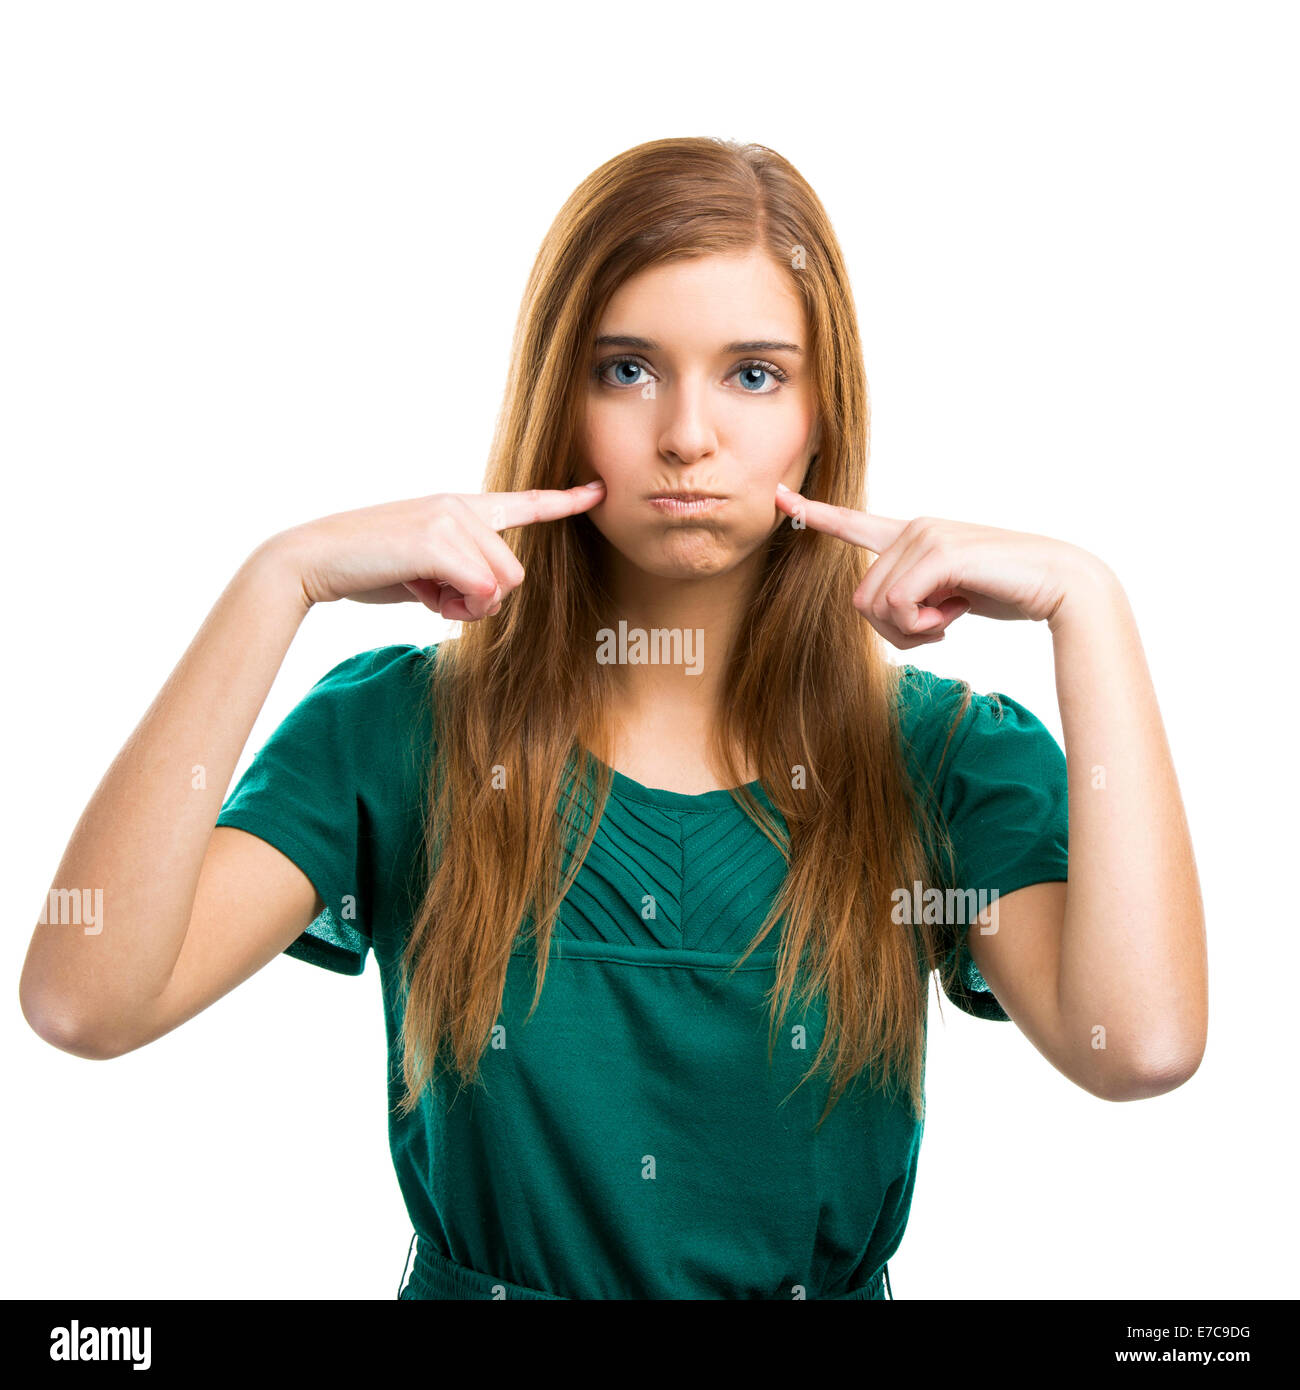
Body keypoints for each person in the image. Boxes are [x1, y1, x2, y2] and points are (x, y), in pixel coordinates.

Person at [20, 136, 1208, 1300]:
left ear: (819, 414)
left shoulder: (945, 760)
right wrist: (276, 580)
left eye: (753, 373)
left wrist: (1088, 607)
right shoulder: (397, 732)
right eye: (627, 368)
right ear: (561, 396)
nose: (688, 434)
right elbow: (87, 1002)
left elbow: (1142, 1046)